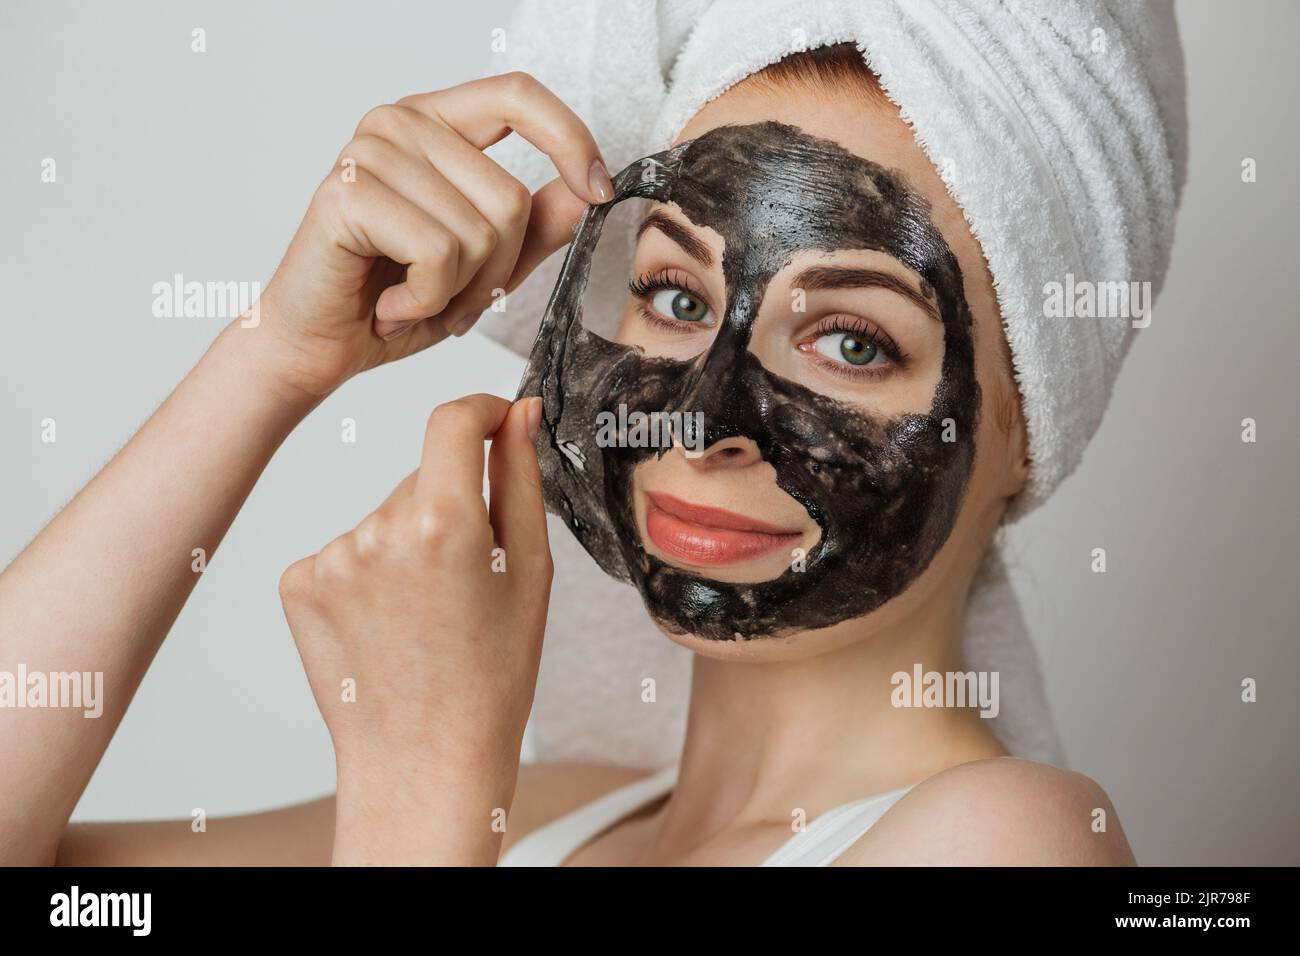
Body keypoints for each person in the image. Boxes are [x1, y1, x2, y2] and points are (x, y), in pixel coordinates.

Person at [0, 51, 1137, 866]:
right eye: (675, 294)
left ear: (1023, 427)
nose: (701, 420)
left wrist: (425, 796)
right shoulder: (558, 817)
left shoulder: (1007, 839)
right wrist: (275, 359)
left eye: (851, 340)